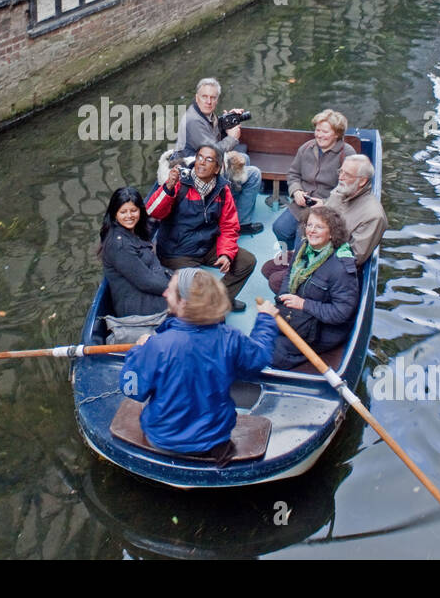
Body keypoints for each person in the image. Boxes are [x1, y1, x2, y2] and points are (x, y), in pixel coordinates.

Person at [120, 268, 280, 457]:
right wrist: (266, 320)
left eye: (170, 291)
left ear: (184, 302)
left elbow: (132, 390)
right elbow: (258, 357)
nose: (164, 293)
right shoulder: (231, 338)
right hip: (214, 441)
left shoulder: (157, 346)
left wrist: (137, 352)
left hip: (163, 440)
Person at [146, 144, 257, 311]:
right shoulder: (179, 183)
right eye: (199, 157)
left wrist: (226, 254)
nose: (201, 163)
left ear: (217, 168)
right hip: (177, 251)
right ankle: (213, 306)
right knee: (200, 285)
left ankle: (221, 300)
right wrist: (168, 186)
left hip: (205, 246)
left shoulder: (222, 190)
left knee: (246, 261)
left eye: (209, 160)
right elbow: (152, 211)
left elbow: (229, 226)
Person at [264, 206, 360, 370]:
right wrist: (284, 298)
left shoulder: (341, 268)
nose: (312, 231)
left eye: (319, 227)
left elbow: (342, 313)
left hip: (324, 329)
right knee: (262, 332)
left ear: (332, 233)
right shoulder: (304, 247)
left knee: (272, 354)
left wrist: (303, 304)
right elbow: (289, 274)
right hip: (300, 315)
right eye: (309, 225)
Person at [173, 77, 263, 234]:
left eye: (213, 97)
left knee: (245, 159)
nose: (208, 101)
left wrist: (227, 121)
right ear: (197, 97)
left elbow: (211, 133)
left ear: (217, 99)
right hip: (195, 175)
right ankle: (240, 225)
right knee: (254, 174)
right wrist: (232, 138)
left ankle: (231, 202)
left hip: (202, 164)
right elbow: (211, 153)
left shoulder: (205, 114)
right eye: (204, 97)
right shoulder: (193, 121)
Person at [273, 109, 351, 250]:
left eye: (325, 132)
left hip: (328, 208)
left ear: (337, 134)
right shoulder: (307, 148)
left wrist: (326, 203)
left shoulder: (347, 154)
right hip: (303, 204)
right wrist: (296, 191)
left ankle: (300, 261)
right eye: (317, 130)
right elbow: (293, 174)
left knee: (302, 237)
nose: (319, 135)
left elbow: (349, 189)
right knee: (280, 228)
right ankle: (292, 255)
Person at [99, 187, 172, 318]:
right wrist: (176, 289)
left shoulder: (134, 232)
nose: (129, 216)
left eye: (133, 211)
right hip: (138, 307)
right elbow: (146, 282)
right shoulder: (119, 245)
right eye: (123, 212)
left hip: (149, 289)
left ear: (140, 211)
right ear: (115, 213)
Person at [321, 153, 388, 269]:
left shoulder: (374, 216)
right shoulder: (342, 190)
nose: (340, 177)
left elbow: (352, 258)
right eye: (340, 171)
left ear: (362, 181)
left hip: (332, 268)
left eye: (347, 174)